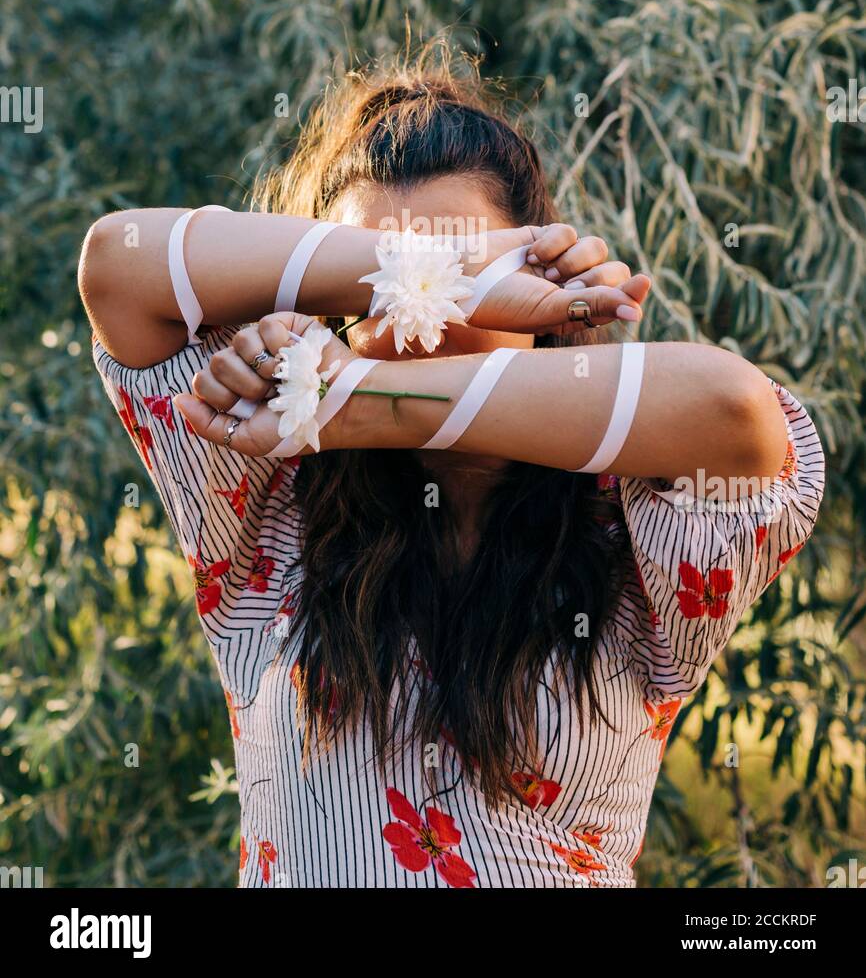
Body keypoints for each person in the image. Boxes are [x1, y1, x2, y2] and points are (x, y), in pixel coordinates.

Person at [78, 48, 824, 888]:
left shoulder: (631, 523)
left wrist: (364, 402)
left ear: (537, 285)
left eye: (461, 275)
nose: (418, 323)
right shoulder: (270, 496)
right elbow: (118, 262)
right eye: (381, 290)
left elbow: (734, 409)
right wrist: (437, 273)